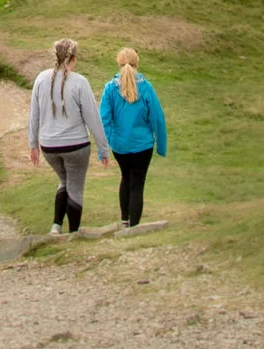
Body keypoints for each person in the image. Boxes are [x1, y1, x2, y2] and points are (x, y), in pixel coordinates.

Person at [26, 36, 104, 233]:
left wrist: (33, 144)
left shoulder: (40, 79)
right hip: (76, 146)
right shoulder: (80, 82)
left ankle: (56, 226)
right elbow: (92, 118)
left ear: (55, 56)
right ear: (74, 58)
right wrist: (103, 148)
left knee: (64, 181)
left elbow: (33, 114)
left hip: (49, 147)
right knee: (75, 187)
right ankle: (73, 234)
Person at [96, 45, 168, 229]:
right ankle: (134, 226)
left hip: (119, 145)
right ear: (137, 63)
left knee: (125, 178)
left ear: (118, 64)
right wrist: (161, 145)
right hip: (142, 145)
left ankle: (124, 220)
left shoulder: (110, 88)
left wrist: (103, 148)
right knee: (137, 183)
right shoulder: (146, 87)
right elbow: (157, 117)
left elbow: (103, 119)